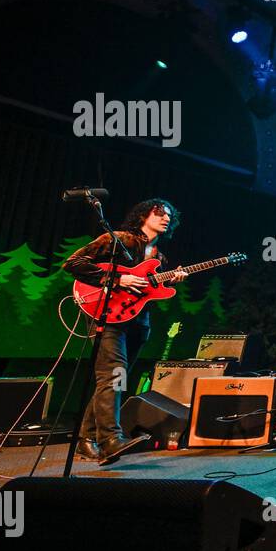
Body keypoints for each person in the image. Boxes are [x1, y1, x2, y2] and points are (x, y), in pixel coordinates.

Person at [63, 198, 187, 465]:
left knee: (113, 379)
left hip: (138, 321)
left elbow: (151, 292)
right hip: (108, 316)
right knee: (112, 374)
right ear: (143, 215)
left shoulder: (160, 257)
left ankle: (86, 439)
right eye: (159, 213)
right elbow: (73, 263)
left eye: (169, 215)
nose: (165, 218)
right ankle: (110, 439)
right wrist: (117, 278)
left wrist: (172, 278)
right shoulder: (119, 239)